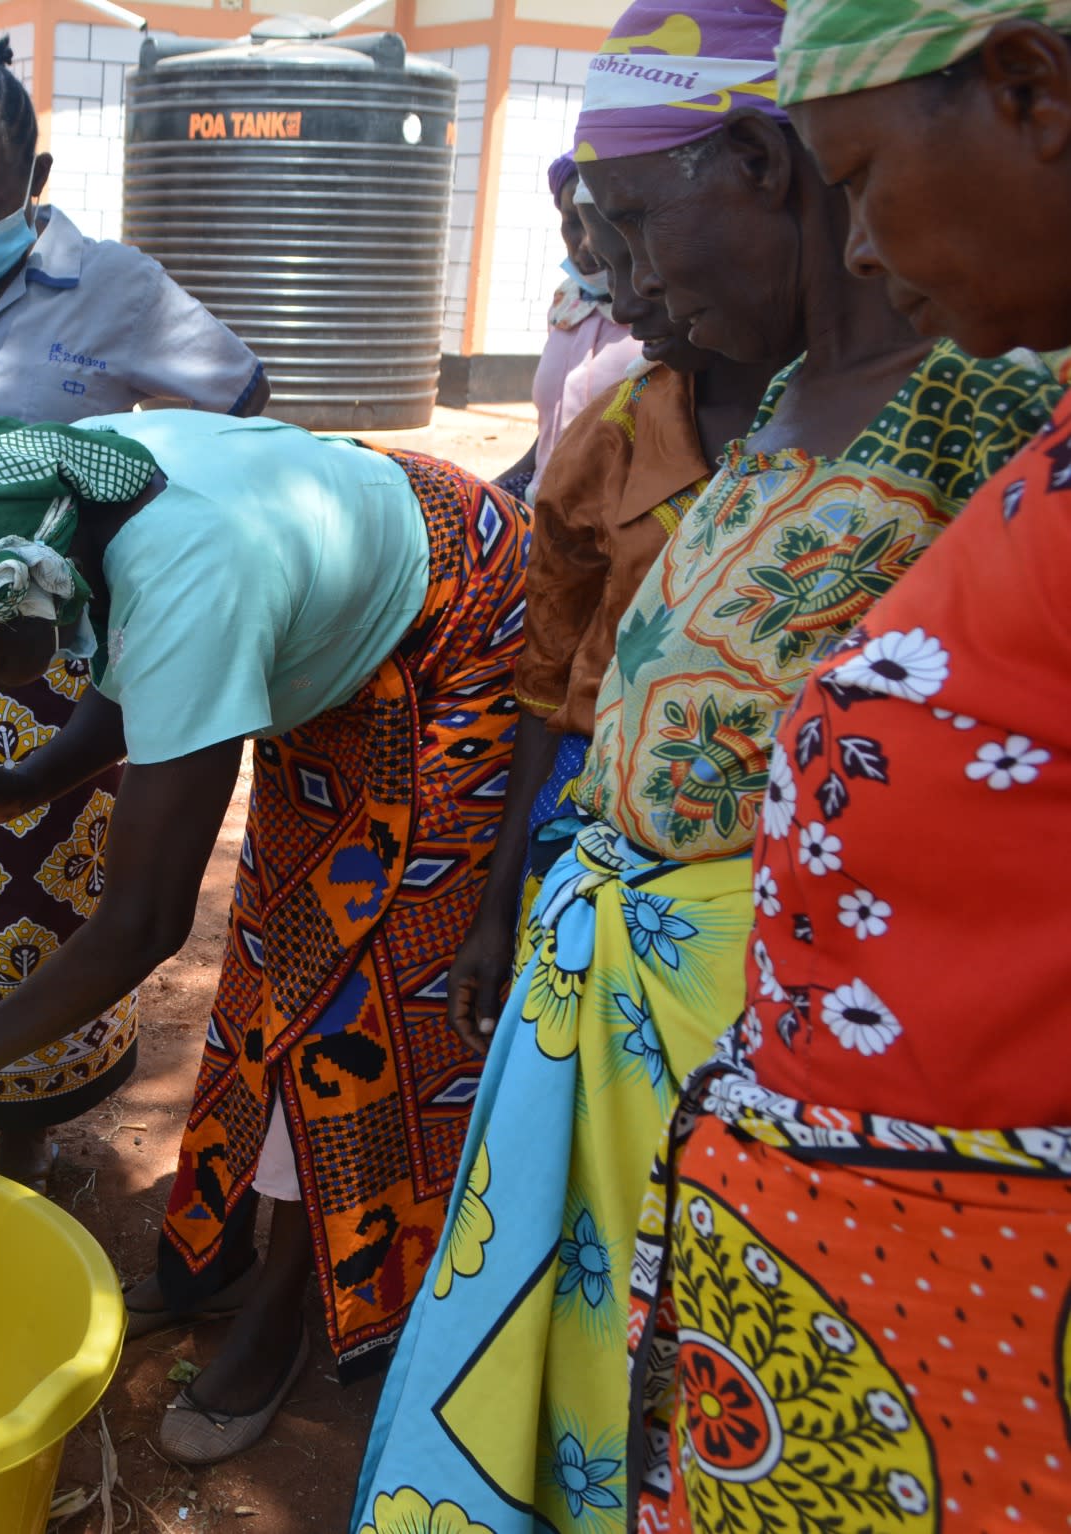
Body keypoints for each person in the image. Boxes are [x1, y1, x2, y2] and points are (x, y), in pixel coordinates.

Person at [351, 5, 1066, 1531]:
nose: (627, 282)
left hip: (801, 1066)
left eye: (638, 229)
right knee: (598, 1381)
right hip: (637, 1014)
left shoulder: (996, 403)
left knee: (699, 1396)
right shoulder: (769, 399)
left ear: (758, 161)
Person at [0, 410, 528, 1463]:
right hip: (318, 617)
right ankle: (219, 1256)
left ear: (17, 599)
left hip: (456, 636)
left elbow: (143, 921)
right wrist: (24, 781)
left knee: (350, 992)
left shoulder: (189, 566)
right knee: (276, 955)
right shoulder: (63, 500)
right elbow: (135, 659)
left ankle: (282, 1312)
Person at [621, 4, 1071, 1526]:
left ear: (1029, 90)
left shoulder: (993, 412)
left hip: (979, 1306)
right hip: (884, 1295)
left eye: (864, 174)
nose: (859, 243)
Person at [0, 40, 269, 1188]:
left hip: (60, 655)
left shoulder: (115, 286)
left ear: (33, 176)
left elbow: (237, 394)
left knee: (43, 889)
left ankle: (29, 1129)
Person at [445, 186, 792, 1043]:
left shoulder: (870, 440)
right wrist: (499, 902)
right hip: (591, 813)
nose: (629, 296)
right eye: (604, 263)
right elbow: (545, 678)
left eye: (641, 256)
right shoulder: (612, 437)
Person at [491, 157, 643, 501]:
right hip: (546, 514)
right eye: (572, 222)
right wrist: (492, 492)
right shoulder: (566, 304)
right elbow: (553, 433)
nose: (587, 242)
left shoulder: (662, 319)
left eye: (602, 222)